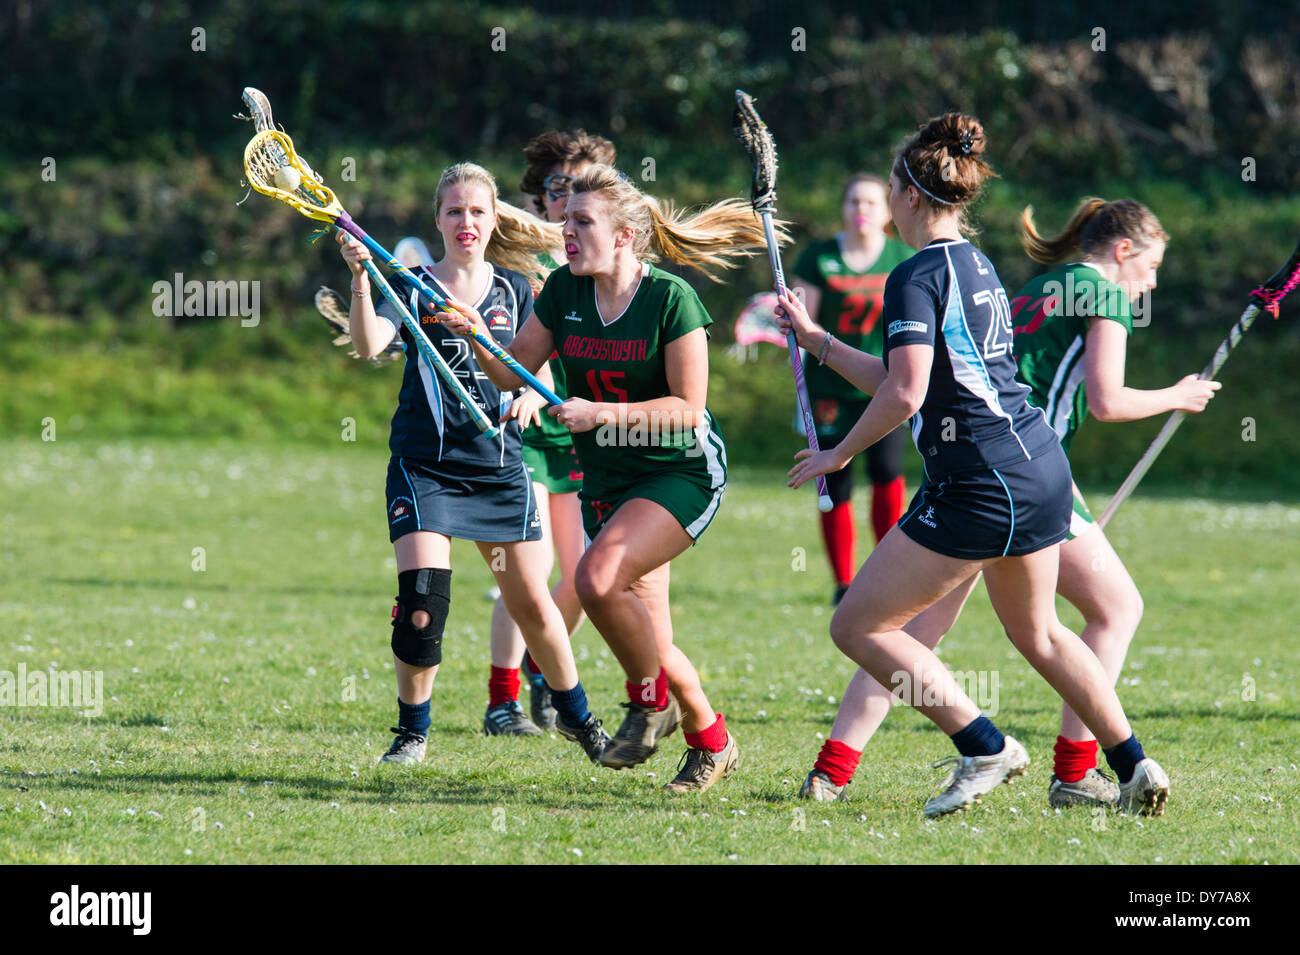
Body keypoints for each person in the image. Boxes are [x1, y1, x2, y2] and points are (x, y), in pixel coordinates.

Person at [780, 113, 1171, 817]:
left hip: (977, 484)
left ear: (906, 191)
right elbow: (917, 377)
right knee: (1044, 633)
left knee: (860, 627)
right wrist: (820, 342)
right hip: (1040, 471)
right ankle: (1134, 764)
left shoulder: (913, 275)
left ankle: (984, 744)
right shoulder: (978, 265)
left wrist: (840, 451)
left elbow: (906, 392)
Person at [441, 164, 776, 792]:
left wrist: (600, 414)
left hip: (679, 471)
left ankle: (647, 703)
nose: (565, 231)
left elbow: (688, 410)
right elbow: (514, 373)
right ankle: (713, 743)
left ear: (624, 235)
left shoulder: (670, 299)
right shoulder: (566, 291)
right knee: (653, 637)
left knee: (594, 581)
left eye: (582, 222)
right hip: (608, 483)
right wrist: (481, 337)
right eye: (565, 219)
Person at [336, 161, 610, 765]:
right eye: (455, 211)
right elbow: (368, 345)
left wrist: (528, 399)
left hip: (498, 466)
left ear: (493, 220)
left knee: (534, 606)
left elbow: (537, 374)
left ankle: (584, 724)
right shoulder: (410, 285)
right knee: (422, 601)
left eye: (477, 211)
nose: (466, 222)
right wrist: (361, 276)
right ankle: (411, 733)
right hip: (425, 464)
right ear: (438, 218)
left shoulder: (517, 288)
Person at [484, 129, 618, 732]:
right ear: (540, 196)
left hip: (586, 432)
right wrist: (523, 388)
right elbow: (516, 344)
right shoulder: (519, 261)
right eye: (559, 187)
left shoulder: (606, 255)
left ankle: (544, 670)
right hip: (526, 431)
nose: (569, 199)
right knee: (526, 571)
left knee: (584, 576)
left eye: (583, 186)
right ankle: (502, 699)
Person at [789, 174, 914, 604]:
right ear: (842, 208)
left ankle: (887, 572)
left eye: (870, 202)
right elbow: (801, 325)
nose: (860, 209)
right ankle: (844, 584)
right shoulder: (819, 257)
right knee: (834, 482)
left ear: (886, 212)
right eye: (853, 201)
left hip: (885, 388)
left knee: (886, 475)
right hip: (829, 390)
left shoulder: (902, 257)